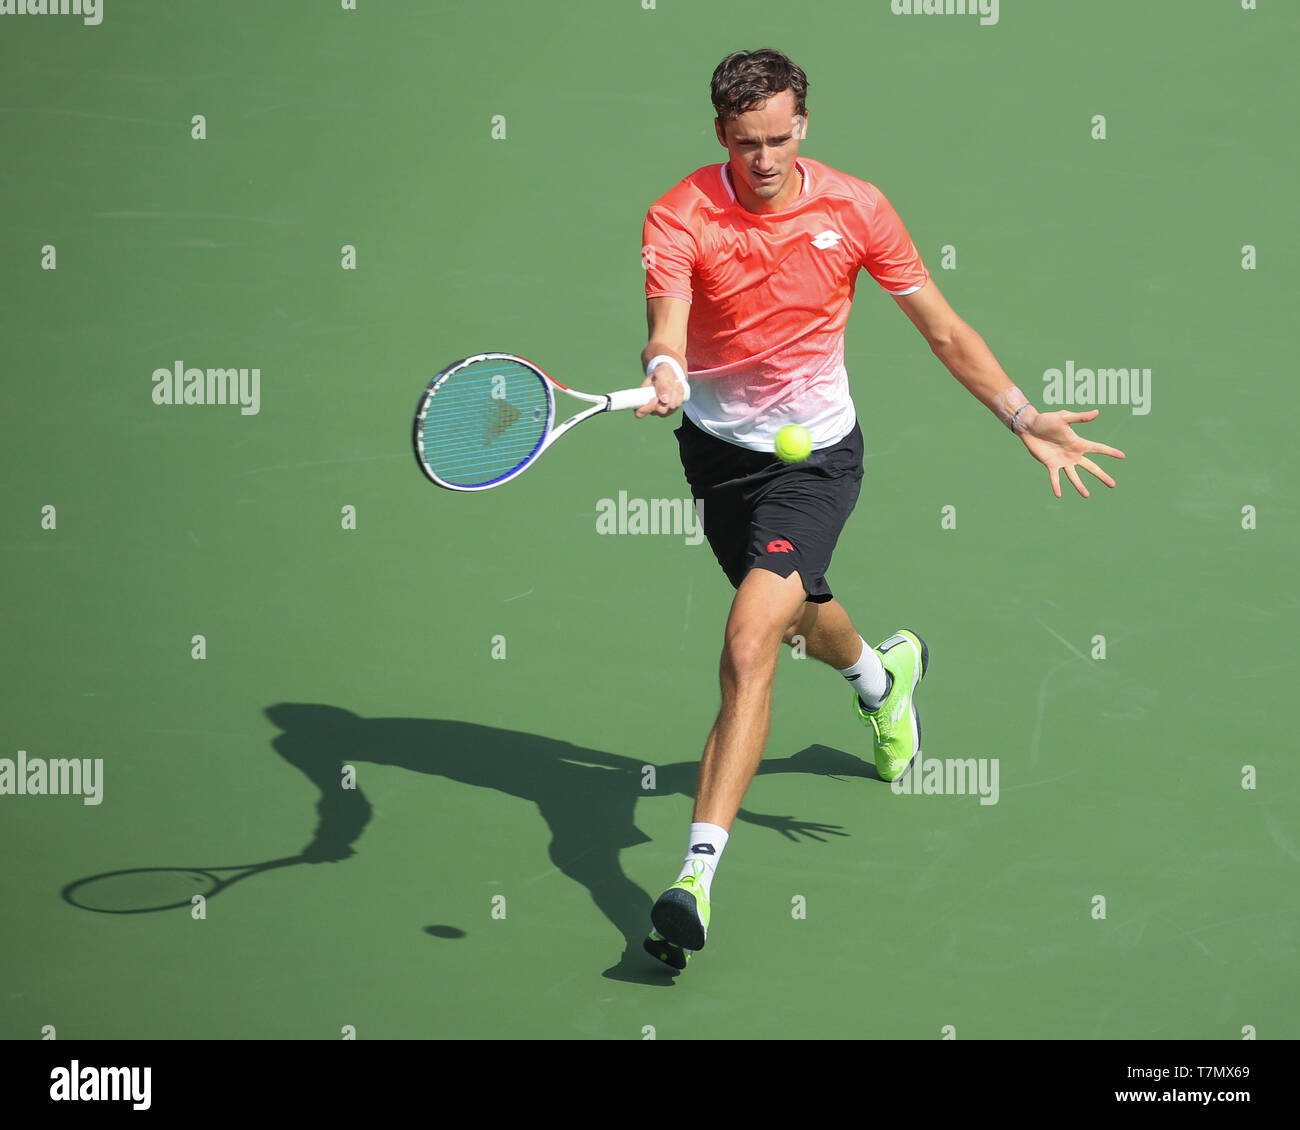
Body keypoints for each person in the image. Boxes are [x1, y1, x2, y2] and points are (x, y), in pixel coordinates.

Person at [633, 48, 1125, 972]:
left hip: (817, 462)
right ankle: (880, 678)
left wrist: (1023, 416)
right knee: (791, 616)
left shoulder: (856, 209)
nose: (766, 160)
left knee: (748, 640)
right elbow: (667, 317)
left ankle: (693, 877)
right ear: (720, 136)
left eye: (780, 138)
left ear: (802, 127)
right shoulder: (682, 212)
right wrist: (665, 365)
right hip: (715, 453)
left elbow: (941, 326)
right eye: (747, 144)